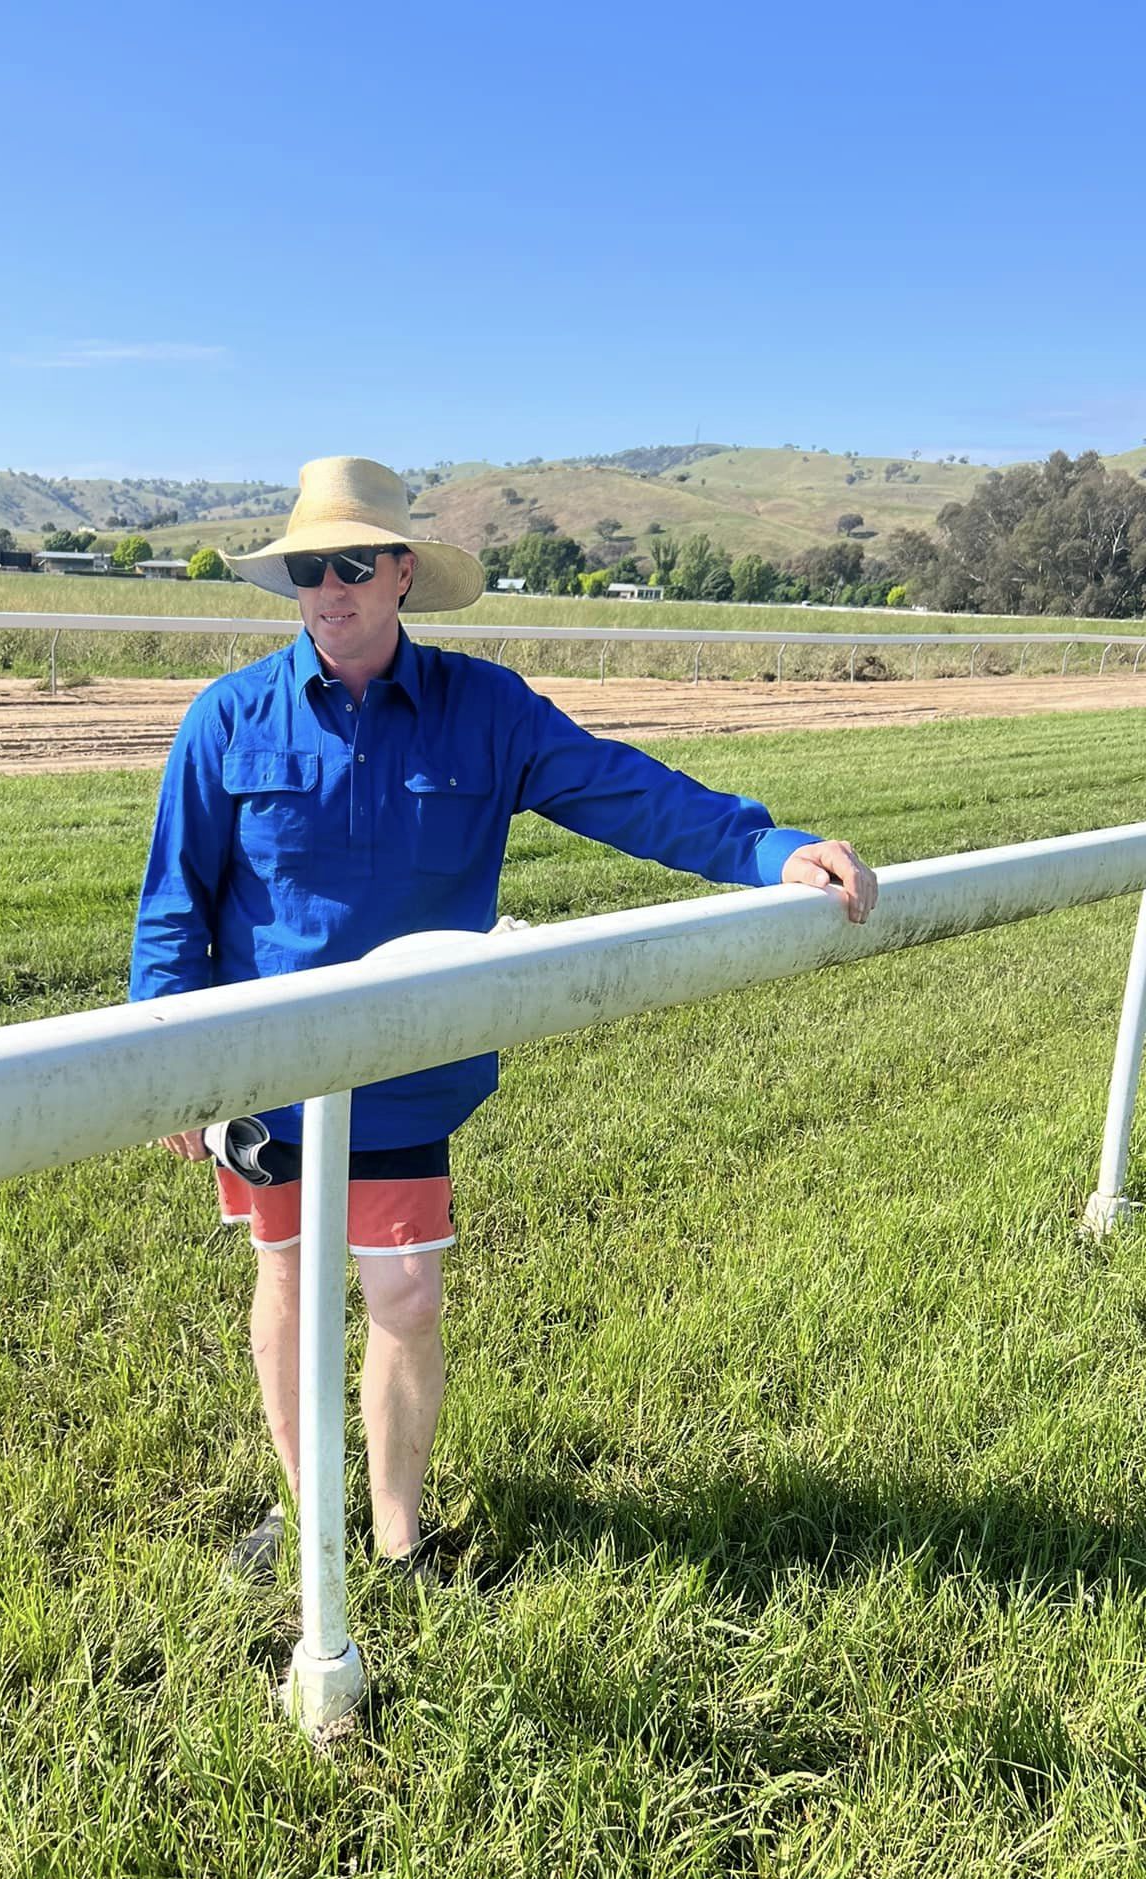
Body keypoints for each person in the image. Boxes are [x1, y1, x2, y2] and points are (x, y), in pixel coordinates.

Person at [129, 456, 876, 1580]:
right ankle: (306, 1507)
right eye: (302, 570)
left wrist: (768, 850)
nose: (325, 590)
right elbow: (173, 902)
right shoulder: (225, 718)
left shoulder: (487, 710)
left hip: (411, 1068)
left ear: (400, 572)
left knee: (406, 1291)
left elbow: (627, 791)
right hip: (267, 1071)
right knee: (284, 1273)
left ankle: (393, 1532)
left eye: (347, 564)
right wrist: (167, 1054)